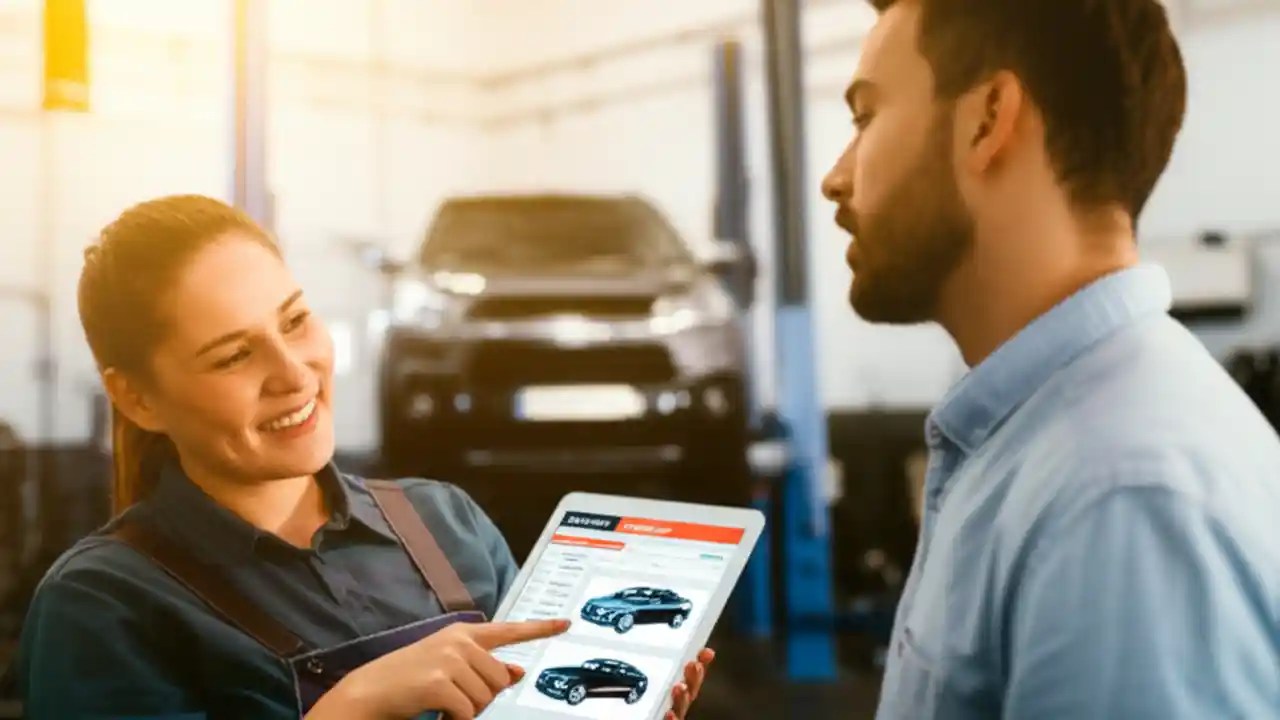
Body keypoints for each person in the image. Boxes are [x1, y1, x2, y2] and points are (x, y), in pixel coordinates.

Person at [13, 195, 714, 719]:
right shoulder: (105, 606)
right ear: (137, 399)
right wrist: (351, 707)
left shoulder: (447, 522)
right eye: (233, 355)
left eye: (294, 321)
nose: (294, 373)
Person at [822, 0, 1280, 718]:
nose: (837, 178)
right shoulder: (1043, 437)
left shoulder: (1120, 497)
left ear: (987, 118)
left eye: (865, 118)